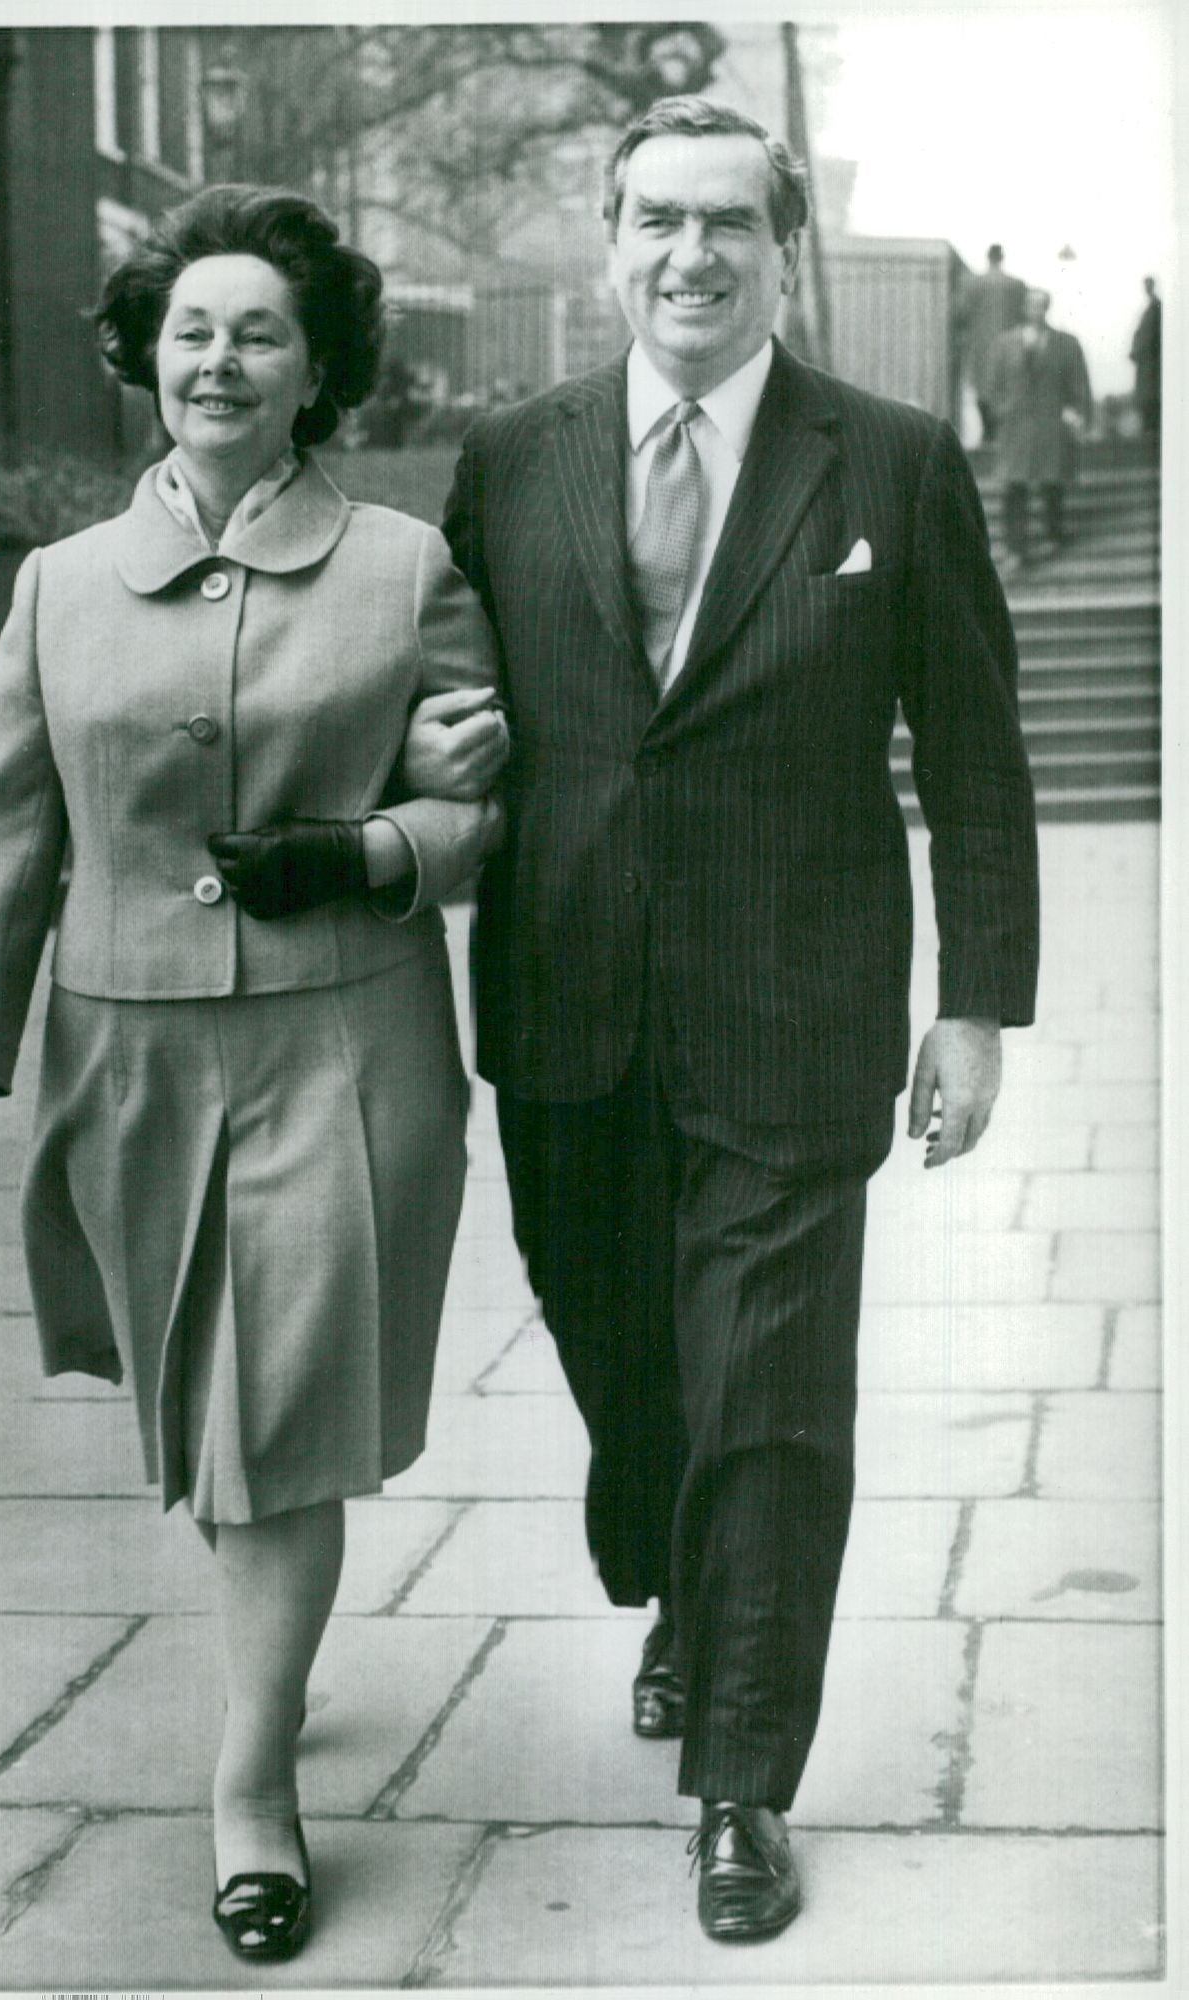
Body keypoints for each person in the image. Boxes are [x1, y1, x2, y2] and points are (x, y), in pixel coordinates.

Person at [436, 97, 1039, 1943]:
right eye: (655, 223)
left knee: (768, 1393)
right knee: (635, 1368)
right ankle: (682, 1590)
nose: (689, 256)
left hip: (796, 1009)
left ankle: (741, 1788)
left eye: (727, 225)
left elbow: (977, 749)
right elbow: (463, 684)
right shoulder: (508, 456)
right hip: (566, 1002)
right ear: (609, 246)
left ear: (784, 253)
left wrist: (977, 1012)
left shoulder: (895, 463)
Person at [0, 184, 507, 1965]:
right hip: (128, 1060)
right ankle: (279, 1655)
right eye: (188, 328)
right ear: (144, 359)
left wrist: (368, 849)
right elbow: (0, 836)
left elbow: (481, 802)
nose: (218, 358)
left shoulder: (402, 566)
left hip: (348, 1048)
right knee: (204, 1423)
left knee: (278, 1432)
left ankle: (251, 1789)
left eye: (258, 329)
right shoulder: (58, 585)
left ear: (315, 366)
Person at [986, 286, 1093, 574]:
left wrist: (1076, 416)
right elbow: (992, 385)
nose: (1037, 310)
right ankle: (1015, 549)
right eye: (1032, 305)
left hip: (1050, 425)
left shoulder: (1067, 344)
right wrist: (1003, 411)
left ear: (1048, 308)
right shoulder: (1004, 344)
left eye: (1042, 305)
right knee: (1014, 487)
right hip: (1015, 427)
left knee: (1052, 482)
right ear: (1024, 308)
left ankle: (1053, 535)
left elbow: (1079, 384)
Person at [957, 243, 1026, 442]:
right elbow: (1024, 316)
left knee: (983, 388)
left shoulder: (972, 283)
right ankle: (1002, 434)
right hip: (1012, 348)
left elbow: (962, 313)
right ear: (1002, 258)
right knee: (1007, 387)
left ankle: (989, 433)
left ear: (988, 258)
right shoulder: (1016, 285)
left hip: (981, 347)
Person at [1130, 276, 1161, 443]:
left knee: (1151, 397)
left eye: (1148, 285)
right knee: (1145, 398)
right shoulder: (1150, 308)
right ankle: (1148, 432)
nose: (1146, 288)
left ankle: (1151, 433)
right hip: (1145, 364)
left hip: (1152, 365)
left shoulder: (1156, 307)